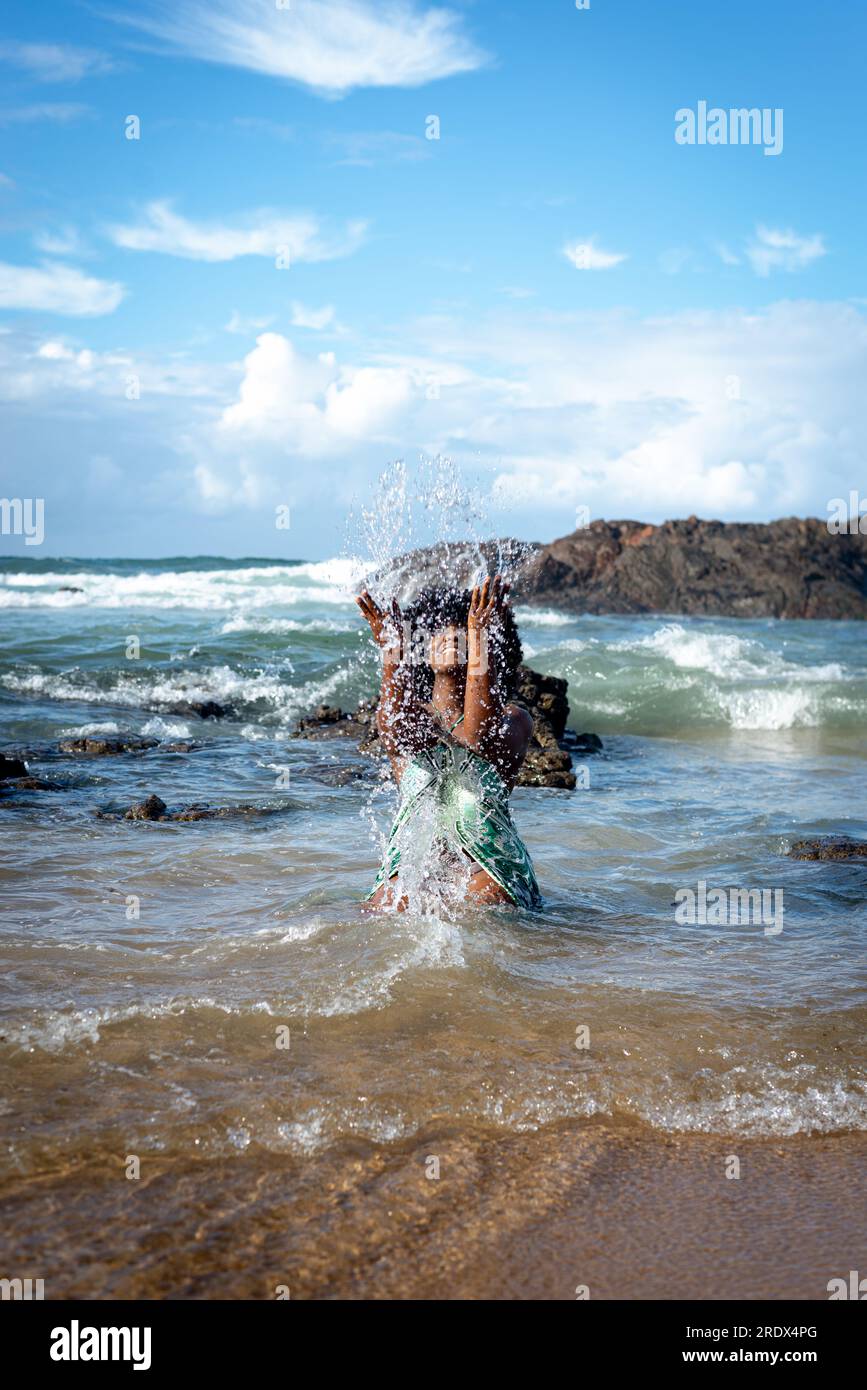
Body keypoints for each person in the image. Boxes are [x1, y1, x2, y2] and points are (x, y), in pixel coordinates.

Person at [356, 575, 542, 909]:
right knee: (384, 906)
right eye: (439, 629)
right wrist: (391, 651)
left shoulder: (513, 719)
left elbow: (475, 738)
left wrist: (480, 636)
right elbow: (398, 732)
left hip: (488, 868)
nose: (451, 635)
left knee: (485, 905)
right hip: (413, 868)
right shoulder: (415, 717)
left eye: (464, 629)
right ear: (420, 649)